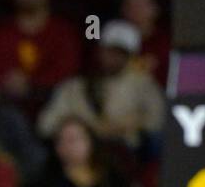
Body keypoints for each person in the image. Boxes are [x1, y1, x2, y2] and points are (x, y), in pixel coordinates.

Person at [36, 20, 163, 154]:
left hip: (127, 156)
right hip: (79, 155)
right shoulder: (74, 87)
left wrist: (131, 124)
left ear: (131, 56)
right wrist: (79, 127)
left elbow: (157, 122)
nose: (114, 57)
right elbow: (45, 125)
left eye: (121, 52)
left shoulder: (144, 85)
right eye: (110, 50)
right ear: (99, 50)